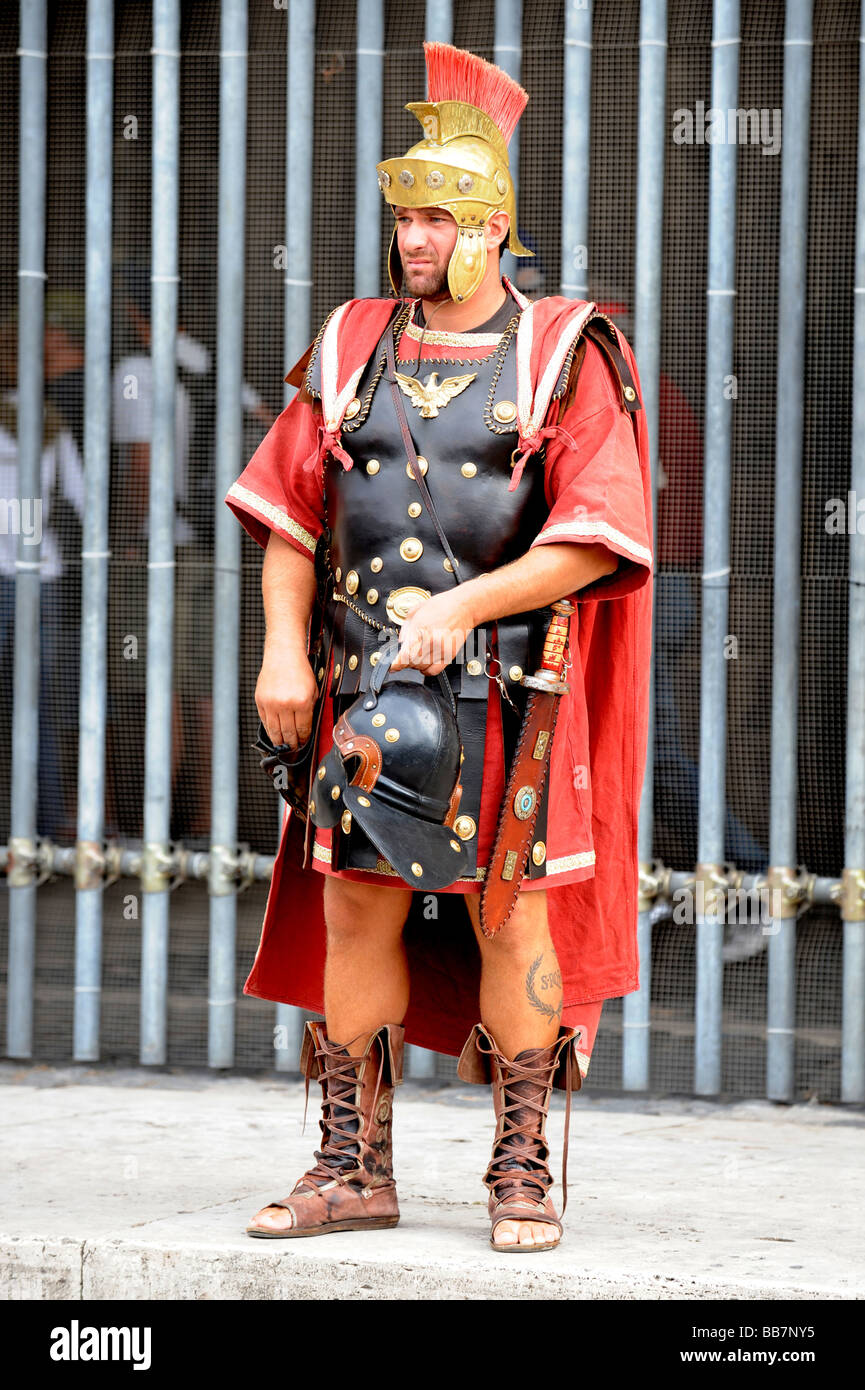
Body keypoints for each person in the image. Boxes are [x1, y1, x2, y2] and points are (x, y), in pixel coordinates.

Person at [225, 43, 654, 1253]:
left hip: (506, 691)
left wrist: (467, 608)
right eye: (403, 215)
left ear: (492, 224)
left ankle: (520, 1169)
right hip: (363, 681)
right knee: (357, 907)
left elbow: (596, 535)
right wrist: (281, 654)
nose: (410, 239)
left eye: (434, 217)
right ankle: (351, 1165)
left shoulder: (565, 351)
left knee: (509, 917)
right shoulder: (354, 340)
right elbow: (288, 519)